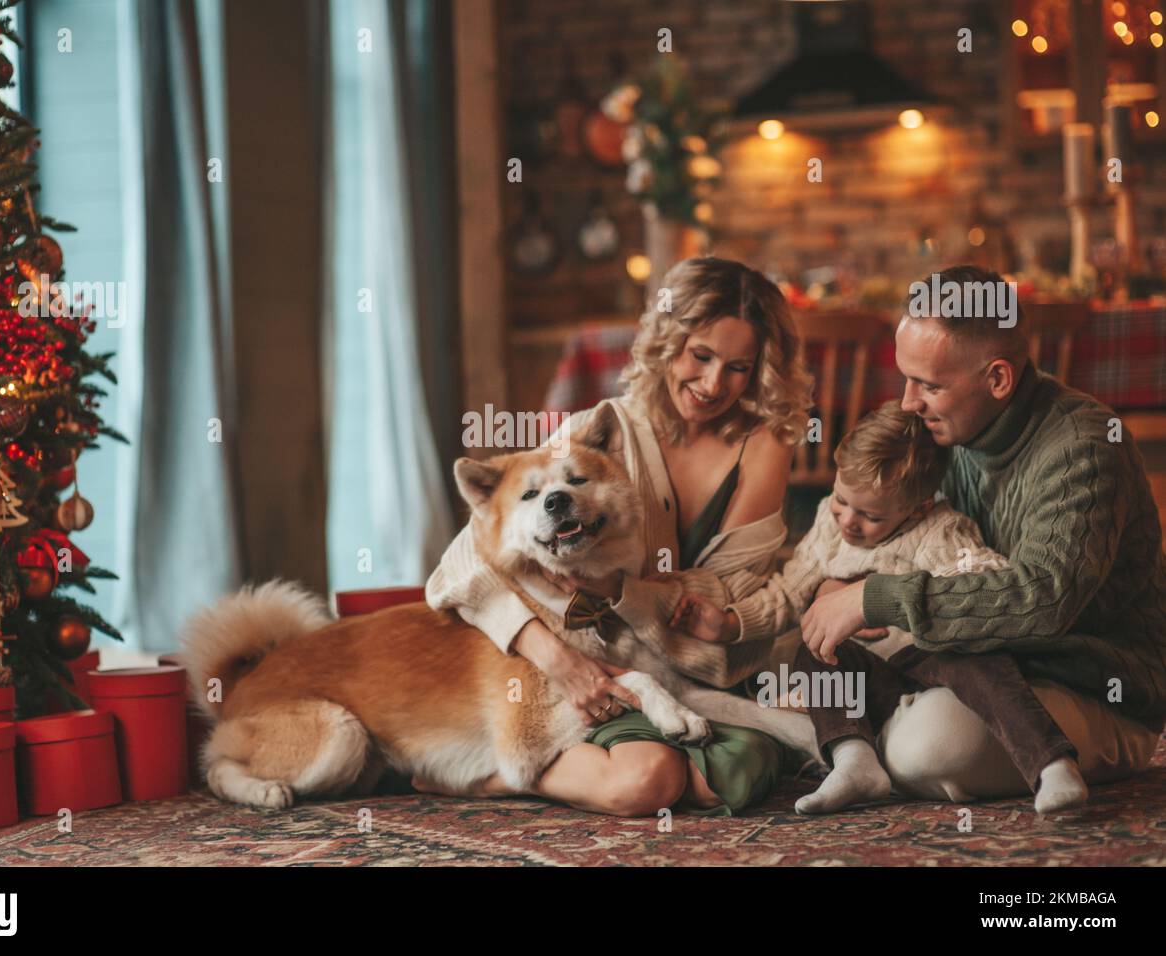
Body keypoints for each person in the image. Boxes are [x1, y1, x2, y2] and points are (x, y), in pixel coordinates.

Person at [424, 256, 816, 815]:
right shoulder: (600, 430)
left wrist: (619, 589)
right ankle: (491, 773)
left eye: (738, 367)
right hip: (590, 662)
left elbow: (723, 600)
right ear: (666, 341)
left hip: (699, 668)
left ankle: (558, 763)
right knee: (660, 780)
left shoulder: (764, 444)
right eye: (699, 356)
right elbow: (464, 562)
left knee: (712, 780)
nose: (712, 384)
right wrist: (553, 656)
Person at [801, 265, 1166, 803]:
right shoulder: (941, 432)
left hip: (1092, 690)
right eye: (906, 378)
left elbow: (1043, 601)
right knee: (815, 654)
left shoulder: (1083, 447)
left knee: (926, 749)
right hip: (978, 664)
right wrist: (841, 587)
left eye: (928, 384)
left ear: (997, 379)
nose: (907, 402)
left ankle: (864, 742)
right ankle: (861, 744)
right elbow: (886, 520)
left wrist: (875, 598)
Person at [672, 401, 1087, 815]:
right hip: (872, 680)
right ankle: (856, 762)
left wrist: (888, 599)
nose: (848, 522)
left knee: (983, 665)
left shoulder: (938, 529)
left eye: (869, 515)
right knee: (812, 654)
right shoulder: (828, 525)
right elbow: (788, 592)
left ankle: (1050, 764)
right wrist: (728, 623)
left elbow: (985, 578)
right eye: (841, 500)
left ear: (918, 507)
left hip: (931, 664)